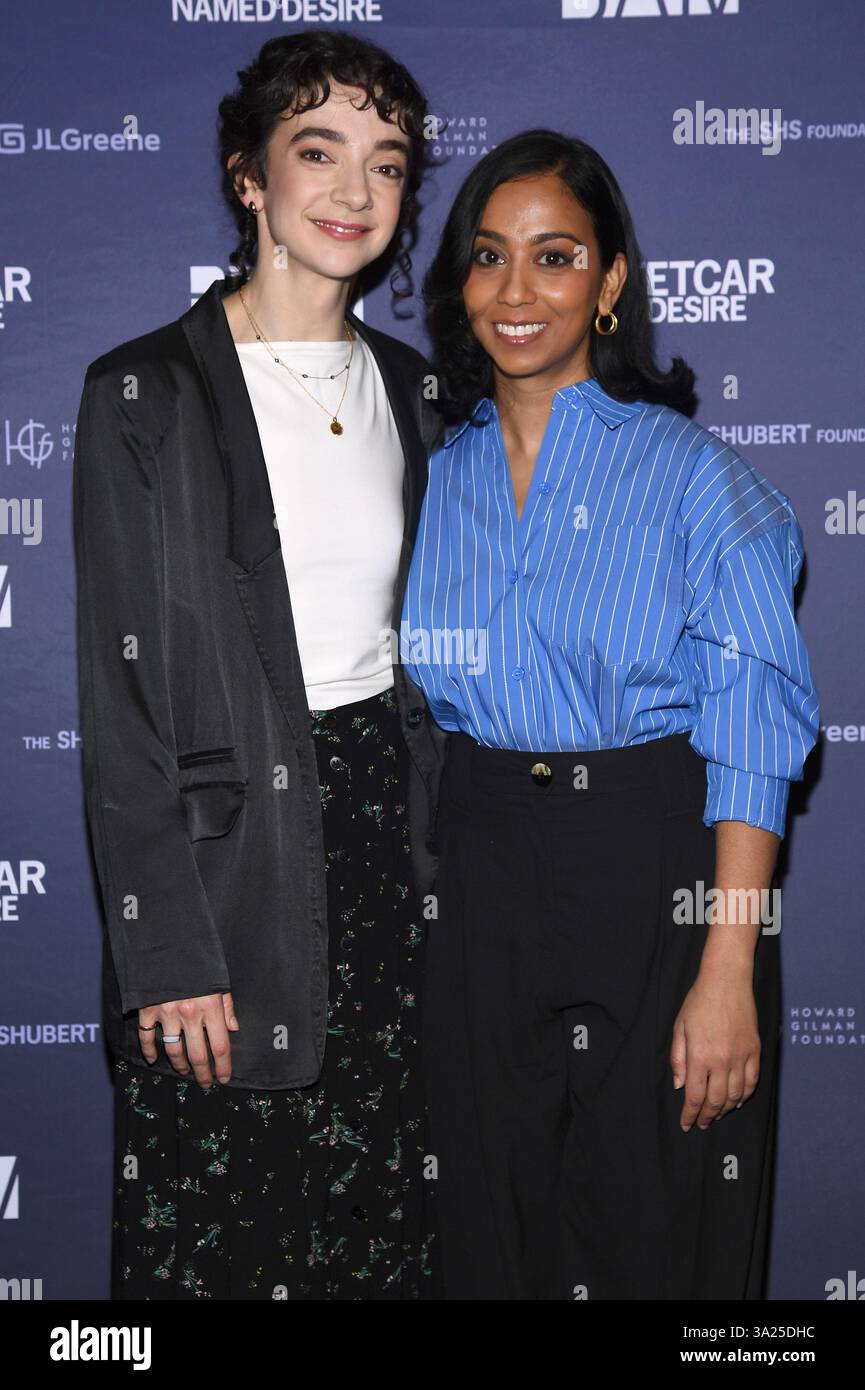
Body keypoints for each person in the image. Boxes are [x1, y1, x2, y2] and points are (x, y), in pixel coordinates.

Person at [402, 129, 821, 1300]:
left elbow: (753, 726)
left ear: (611, 282)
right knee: (489, 1235)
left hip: (655, 866)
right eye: (489, 257)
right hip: (480, 870)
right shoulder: (431, 474)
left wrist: (726, 962)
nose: (516, 290)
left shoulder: (695, 476)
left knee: (665, 1238)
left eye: (555, 256)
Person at [73, 31, 445, 1300]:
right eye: (318, 151)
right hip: (226, 874)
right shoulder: (143, 394)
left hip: (389, 863)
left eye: (385, 164)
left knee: (376, 1237)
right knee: (216, 1248)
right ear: (250, 179)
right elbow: (120, 709)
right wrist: (164, 954)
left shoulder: (420, 388)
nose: (354, 191)